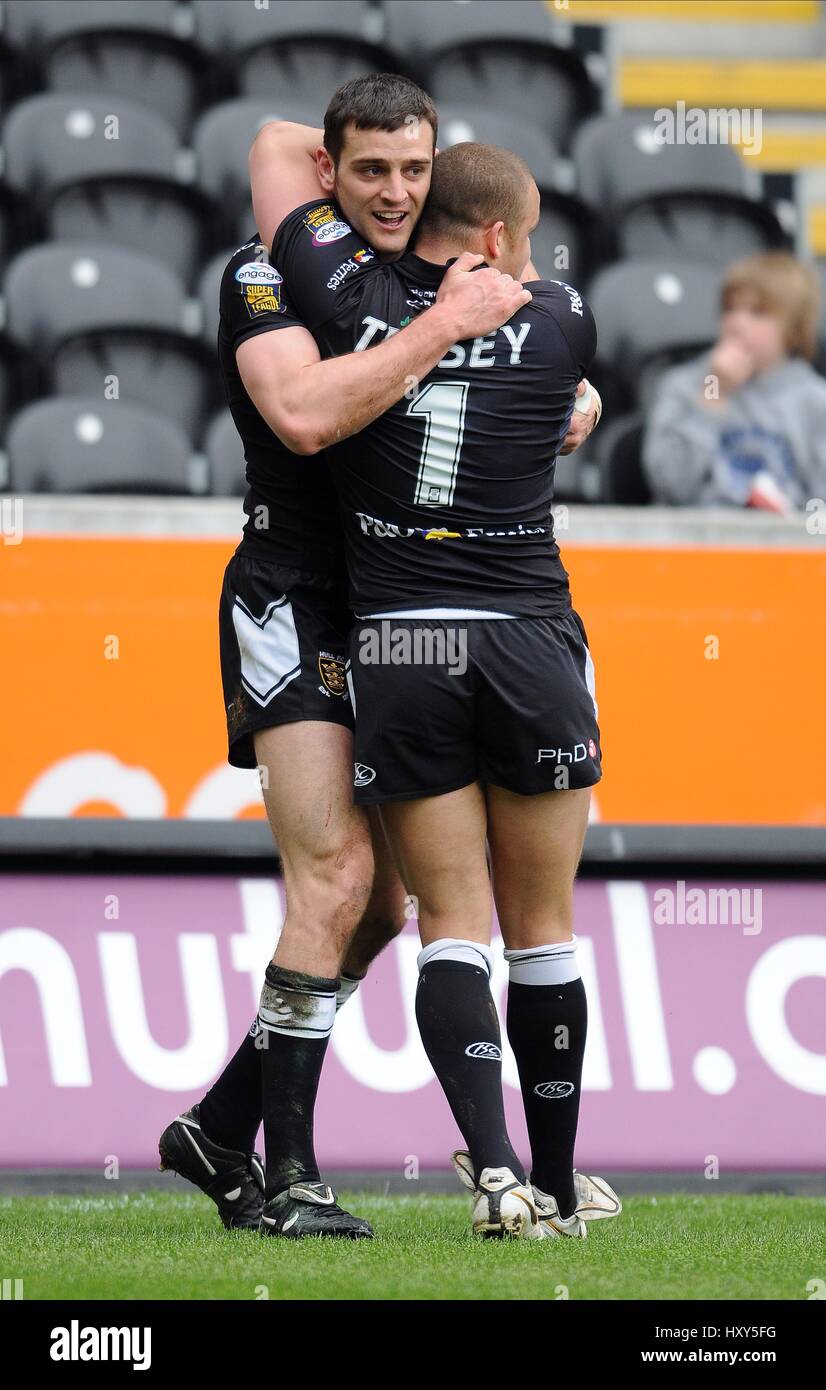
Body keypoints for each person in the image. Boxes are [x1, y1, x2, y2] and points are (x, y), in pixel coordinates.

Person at [159, 74, 599, 1240]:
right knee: (339, 878)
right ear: (327, 172)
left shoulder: (411, 278)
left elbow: (506, 352)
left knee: (384, 907)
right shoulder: (270, 272)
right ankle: (289, 1175)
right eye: (368, 170)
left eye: (415, 170)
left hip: (391, 611)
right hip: (294, 596)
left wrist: (564, 378)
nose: (396, 192)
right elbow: (305, 417)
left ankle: (218, 1126)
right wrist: (447, 328)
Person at [642, 252, 826, 512]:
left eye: (758, 313)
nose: (737, 323)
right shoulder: (681, 386)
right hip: (698, 534)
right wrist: (714, 395)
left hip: (784, 537)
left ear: (794, 330)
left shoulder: (815, 402)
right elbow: (670, 486)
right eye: (729, 309)